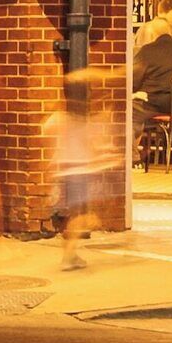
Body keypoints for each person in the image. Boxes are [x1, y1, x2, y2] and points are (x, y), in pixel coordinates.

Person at [49, 68, 123, 266]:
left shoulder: (61, 116)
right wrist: (110, 158)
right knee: (84, 215)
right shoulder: (87, 122)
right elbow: (96, 146)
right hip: (81, 172)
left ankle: (70, 254)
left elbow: (45, 129)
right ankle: (69, 254)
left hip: (63, 171)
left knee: (74, 214)